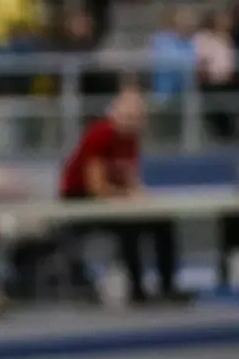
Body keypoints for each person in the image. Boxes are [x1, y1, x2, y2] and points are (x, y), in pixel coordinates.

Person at [58, 90, 188, 305]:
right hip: (81, 202)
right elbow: (97, 187)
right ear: (116, 114)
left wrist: (143, 198)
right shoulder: (100, 134)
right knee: (129, 226)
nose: (136, 122)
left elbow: (130, 179)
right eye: (131, 116)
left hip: (115, 200)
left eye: (139, 117)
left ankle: (167, 286)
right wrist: (128, 197)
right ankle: (137, 288)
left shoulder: (131, 139)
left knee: (163, 222)